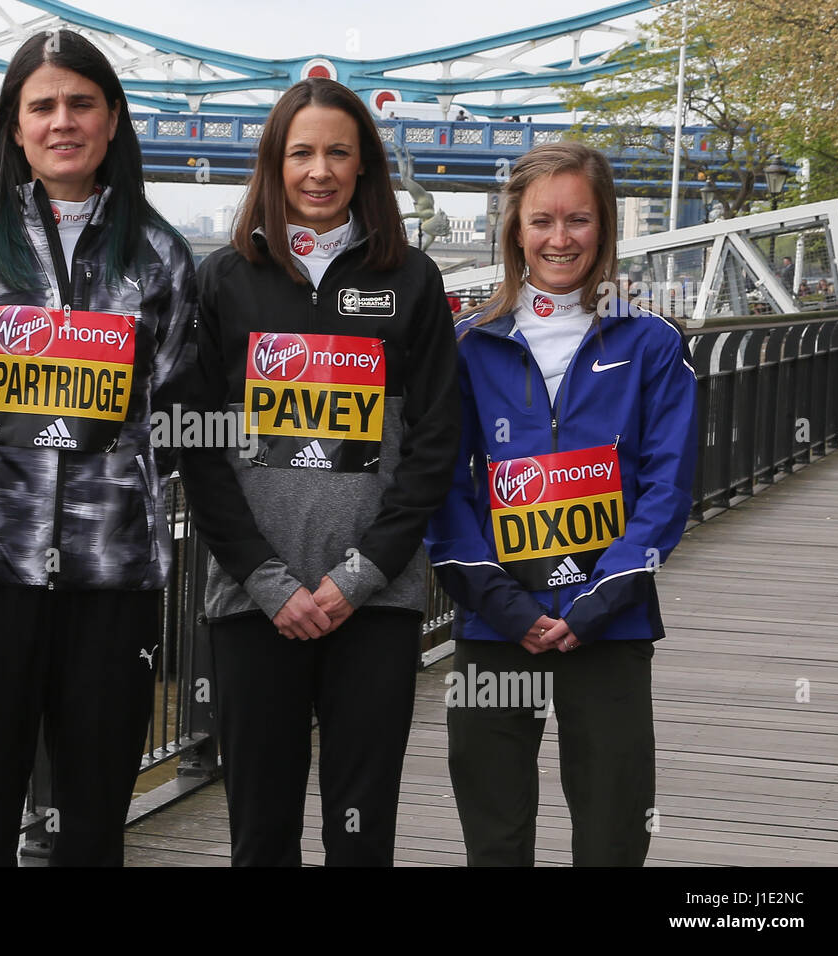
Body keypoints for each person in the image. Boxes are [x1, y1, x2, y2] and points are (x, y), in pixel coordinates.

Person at [0, 28, 196, 867]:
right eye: (42, 106)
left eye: (81, 103)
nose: (62, 121)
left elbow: (171, 408)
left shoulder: (162, 254)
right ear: (13, 125)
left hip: (114, 587)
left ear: (112, 119)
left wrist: (109, 491)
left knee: (95, 828)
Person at [178, 77, 461, 866]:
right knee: (261, 834)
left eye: (340, 152)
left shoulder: (413, 280)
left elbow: (437, 441)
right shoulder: (223, 281)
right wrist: (267, 580)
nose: (320, 171)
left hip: (374, 604)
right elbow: (196, 446)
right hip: (252, 603)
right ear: (273, 165)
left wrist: (363, 574)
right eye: (301, 152)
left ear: (365, 167)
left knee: (360, 834)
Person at [424, 141, 697, 866]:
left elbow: (667, 488)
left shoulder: (652, 344)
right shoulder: (466, 347)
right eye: (542, 220)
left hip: (611, 620)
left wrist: (596, 601)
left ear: (604, 228)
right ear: (516, 228)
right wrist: (507, 605)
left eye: (578, 220)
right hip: (494, 622)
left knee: (612, 835)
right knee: (495, 838)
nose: (559, 238)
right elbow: (443, 490)